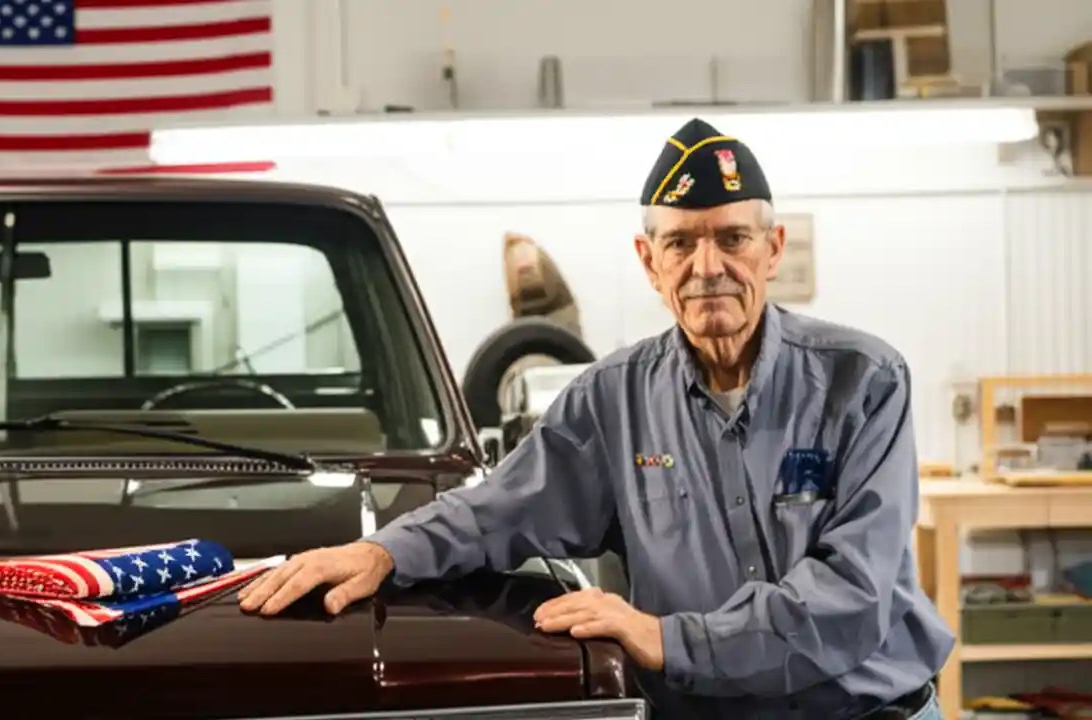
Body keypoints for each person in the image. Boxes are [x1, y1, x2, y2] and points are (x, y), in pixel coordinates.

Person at [238, 117, 955, 719]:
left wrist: (667, 639)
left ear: (772, 251)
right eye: (681, 242)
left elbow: (851, 597)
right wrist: (382, 553)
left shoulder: (862, 381)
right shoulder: (612, 400)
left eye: (733, 238)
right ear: (649, 261)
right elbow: (494, 512)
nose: (708, 265)